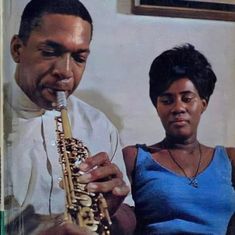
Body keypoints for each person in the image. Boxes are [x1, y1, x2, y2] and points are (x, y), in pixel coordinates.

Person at [4, 0, 136, 234]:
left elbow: (128, 214)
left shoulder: (99, 125)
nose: (65, 71)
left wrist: (111, 210)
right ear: (17, 49)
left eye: (78, 58)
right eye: (50, 52)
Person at [123, 44, 235, 235]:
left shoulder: (230, 159)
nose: (178, 108)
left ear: (203, 103)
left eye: (187, 98)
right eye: (167, 100)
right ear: (157, 107)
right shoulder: (135, 157)